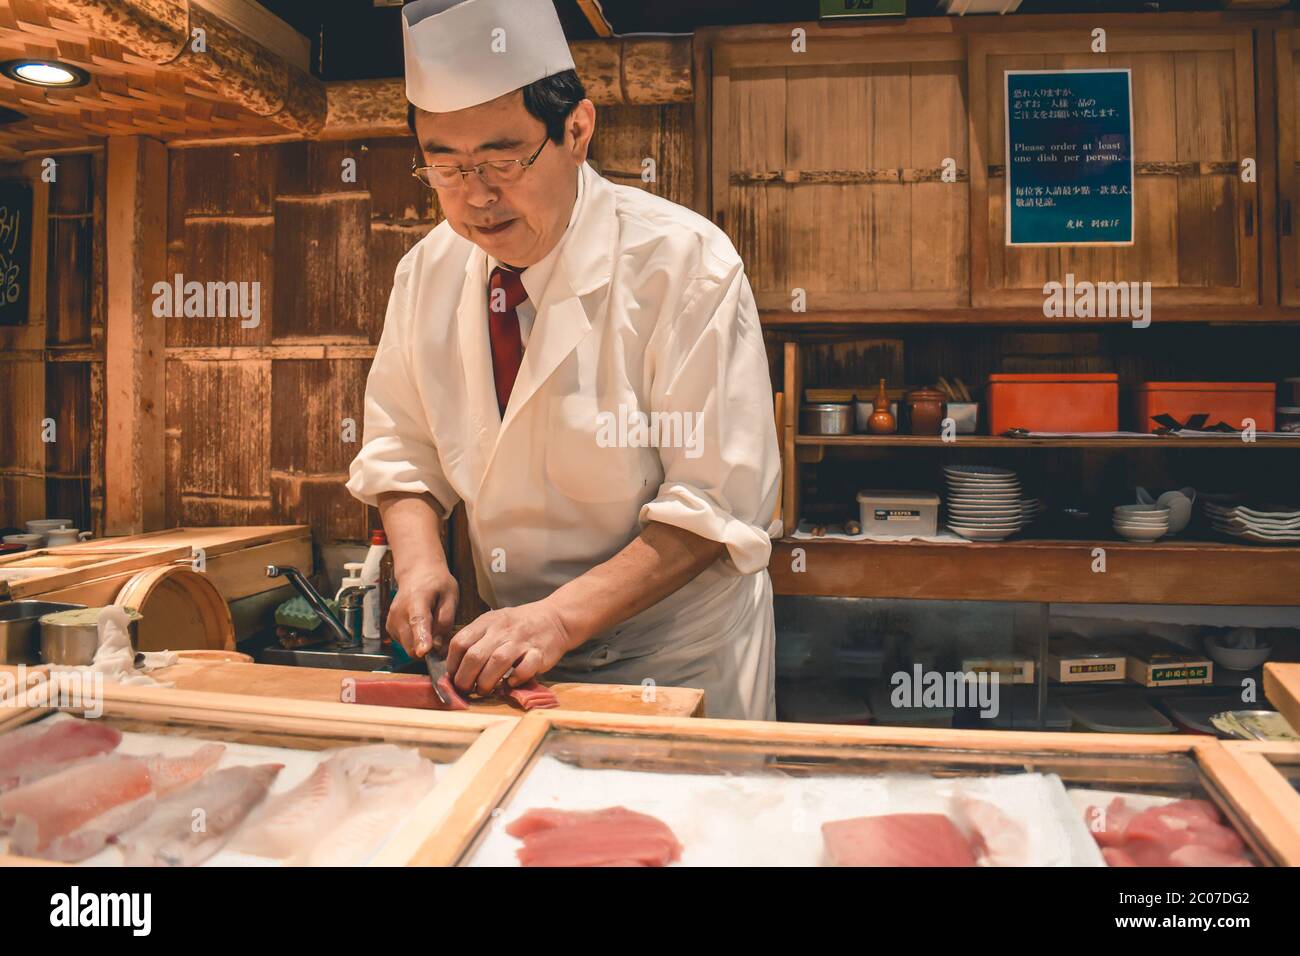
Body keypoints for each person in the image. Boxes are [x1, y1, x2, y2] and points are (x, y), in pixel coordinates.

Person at [346, 0, 780, 719]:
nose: (477, 197)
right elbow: (402, 446)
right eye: (446, 168)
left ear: (577, 129)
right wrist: (421, 560)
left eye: (503, 160)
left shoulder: (684, 265)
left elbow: (713, 504)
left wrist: (556, 618)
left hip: (675, 655)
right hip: (512, 658)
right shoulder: (426, 272)